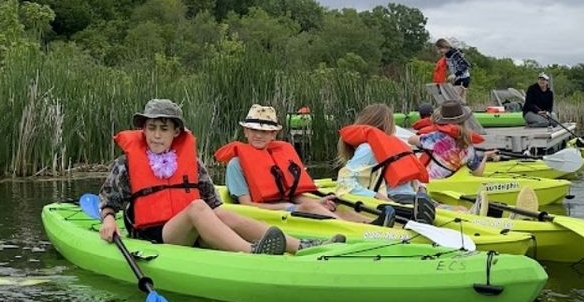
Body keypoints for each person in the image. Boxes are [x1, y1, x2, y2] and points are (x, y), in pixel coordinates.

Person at [98, 99, 295, 255]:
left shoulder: (191, 163)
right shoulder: (126, 163)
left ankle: (297, 244)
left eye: (164, 129)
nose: (156, 135)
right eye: (152, 128)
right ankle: (251, 251)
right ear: (144, 130)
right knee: (198, 207)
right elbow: (108, 201)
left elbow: (214, 203)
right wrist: (108, 220)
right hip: (154, 235)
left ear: (176, 132)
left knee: (220, 212)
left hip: (190, 229)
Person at [215, 104, 371, 223]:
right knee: (313, 208)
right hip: (265, 215)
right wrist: (292, 208)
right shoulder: (236, 164)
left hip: (287, 209)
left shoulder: (278, 156)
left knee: (335, 207)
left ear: (273, 134)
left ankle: (374, 226)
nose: (258, 135)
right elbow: (246, 205)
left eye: (264, 131)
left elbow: (293, 194)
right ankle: (351, 228)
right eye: (253, 130)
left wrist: (316, 202)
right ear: (246, 132)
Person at [337, 103, 437, 224]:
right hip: (407, 197)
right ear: (389, 125)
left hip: (398, 199)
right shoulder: (382, 147)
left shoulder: (370, 148)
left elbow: (344, 182)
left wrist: (375, 196)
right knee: (442, 209)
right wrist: (375, 196)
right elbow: (345, 181)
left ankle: (414, 216)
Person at [407, 100, 498, 180]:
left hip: (429, 181)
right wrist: (485, 157)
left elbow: (411, 140)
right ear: (463, 121)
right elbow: (478, 173)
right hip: (449, 182)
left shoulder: (435, 138)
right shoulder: (468, 146)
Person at [435, 38, 471, 103]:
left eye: (440, 49)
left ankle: (459, 111)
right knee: (461, 100)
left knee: (453, 99)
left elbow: (466, 65)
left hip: (463, 78)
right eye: (438, 49)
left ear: (445, 47)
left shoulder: (454, 54)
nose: (439, 51)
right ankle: (466, 111)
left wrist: (455, 75)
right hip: (457, 79)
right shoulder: (446, 56)